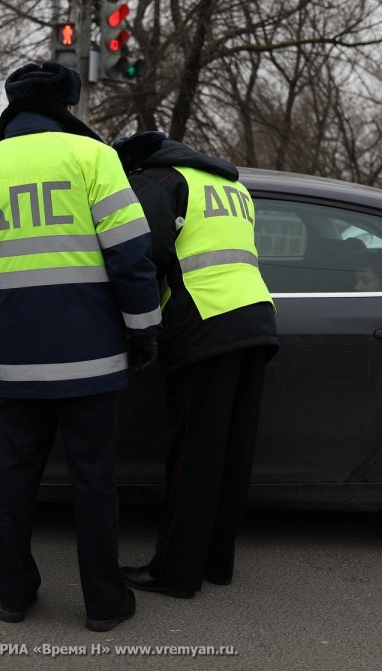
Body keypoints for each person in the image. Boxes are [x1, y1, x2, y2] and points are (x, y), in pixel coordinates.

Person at [0, 61, 161, 632]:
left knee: (15, 478)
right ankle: (104, 604)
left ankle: (14, 597)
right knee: (93, 481)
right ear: (67, 108)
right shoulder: (93, 158)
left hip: (13, 359)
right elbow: (130, 257)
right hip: (91, 359)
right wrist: (144, 331)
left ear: (14, 109)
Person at [111, 130, 279, 599]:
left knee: (194, 456)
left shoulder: (159, 180)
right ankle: (216, 563)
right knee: (230, 454)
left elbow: (144, 253)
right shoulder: (229, 185)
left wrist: (137, 324)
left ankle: (175, 573)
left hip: (204, 321)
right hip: (255, 319)